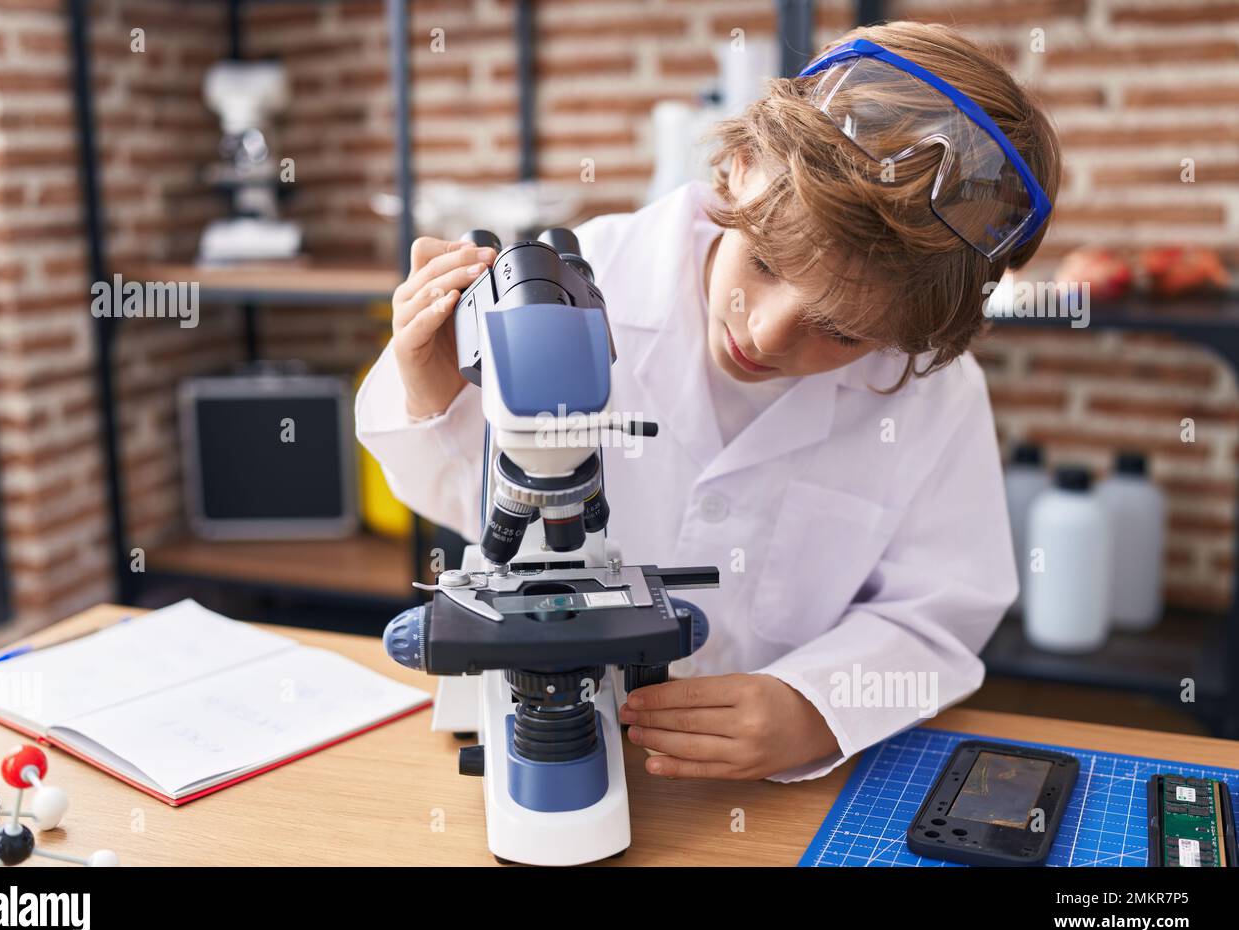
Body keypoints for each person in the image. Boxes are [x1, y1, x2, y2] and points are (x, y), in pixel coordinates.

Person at [356, 21, 1061, 782]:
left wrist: (813, 706)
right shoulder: (585, 282)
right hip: (550, 705)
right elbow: (467, 503)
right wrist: (430, 388)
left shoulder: (933, 398)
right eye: (763, 261)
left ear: (913, 336)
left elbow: (939, 615)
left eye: (841, 332)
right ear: (739, 166)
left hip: (773, 787)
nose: (763, 332)